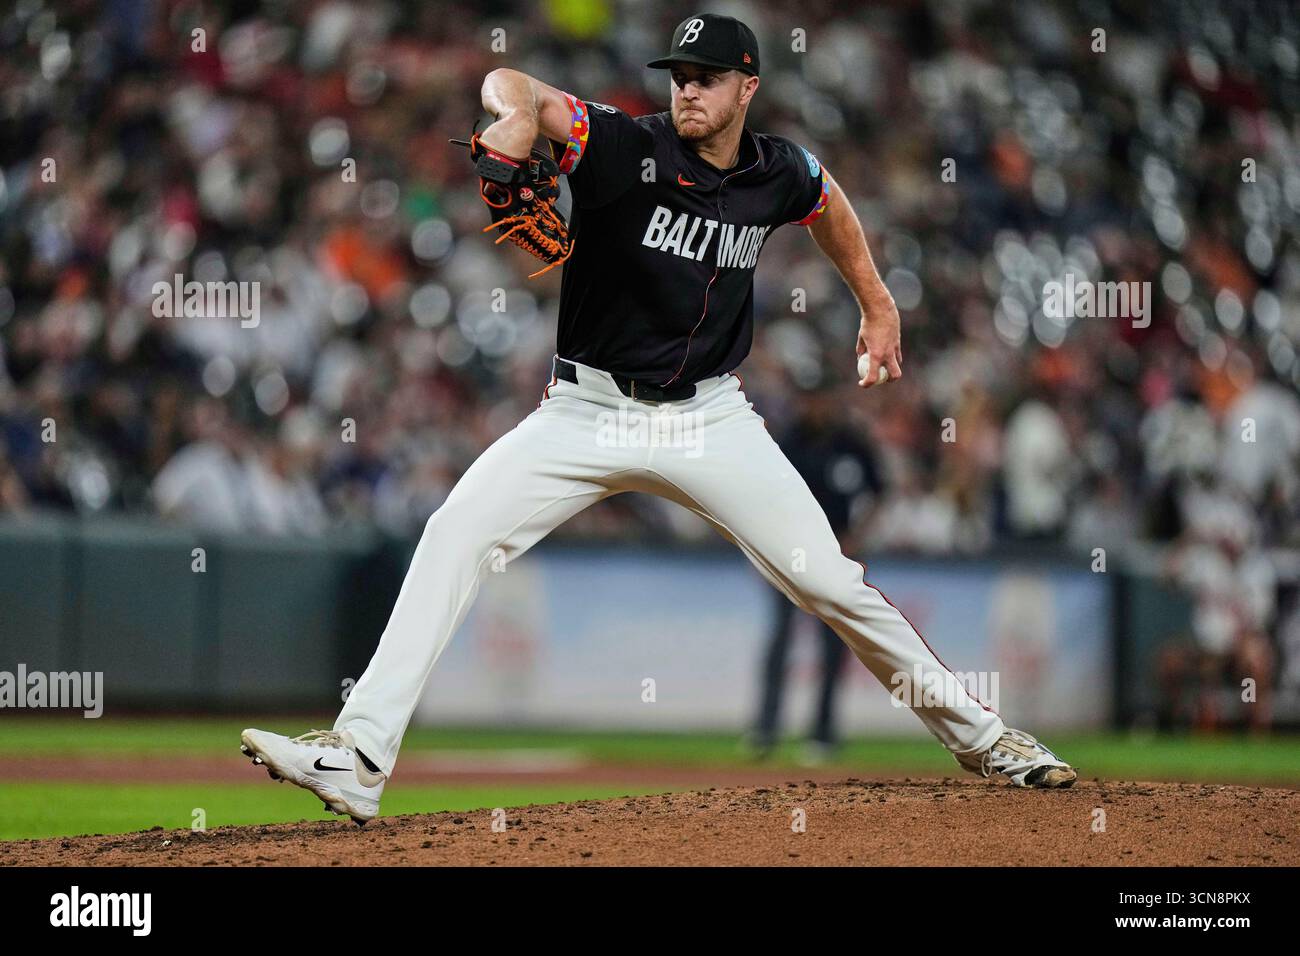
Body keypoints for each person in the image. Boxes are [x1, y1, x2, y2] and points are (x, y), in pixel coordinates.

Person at [241, 13, 1076, 825]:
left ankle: (987, 740)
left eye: (706, 78)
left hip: (709, 418)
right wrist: (512, 120)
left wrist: (878, 301)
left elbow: (830, 205)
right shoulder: (622, 147)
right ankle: (358, 758)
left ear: (748, 85)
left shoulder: (777, 171)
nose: (687, 92)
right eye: (678, 78)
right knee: (455, 531)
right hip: (585, 408)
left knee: (829, 580)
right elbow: (516, 84)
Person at [749, 375, 883, 763]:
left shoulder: (851, 442)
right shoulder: (789, 441)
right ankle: (766, 731)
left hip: (837, 554)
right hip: (790, 554)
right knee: (780, 643)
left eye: (819, 399)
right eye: (807, 399)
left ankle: (823, 733)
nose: (813, 407)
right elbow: (763, 497)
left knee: (833, 645)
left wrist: (857, 537)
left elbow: (878, 492)